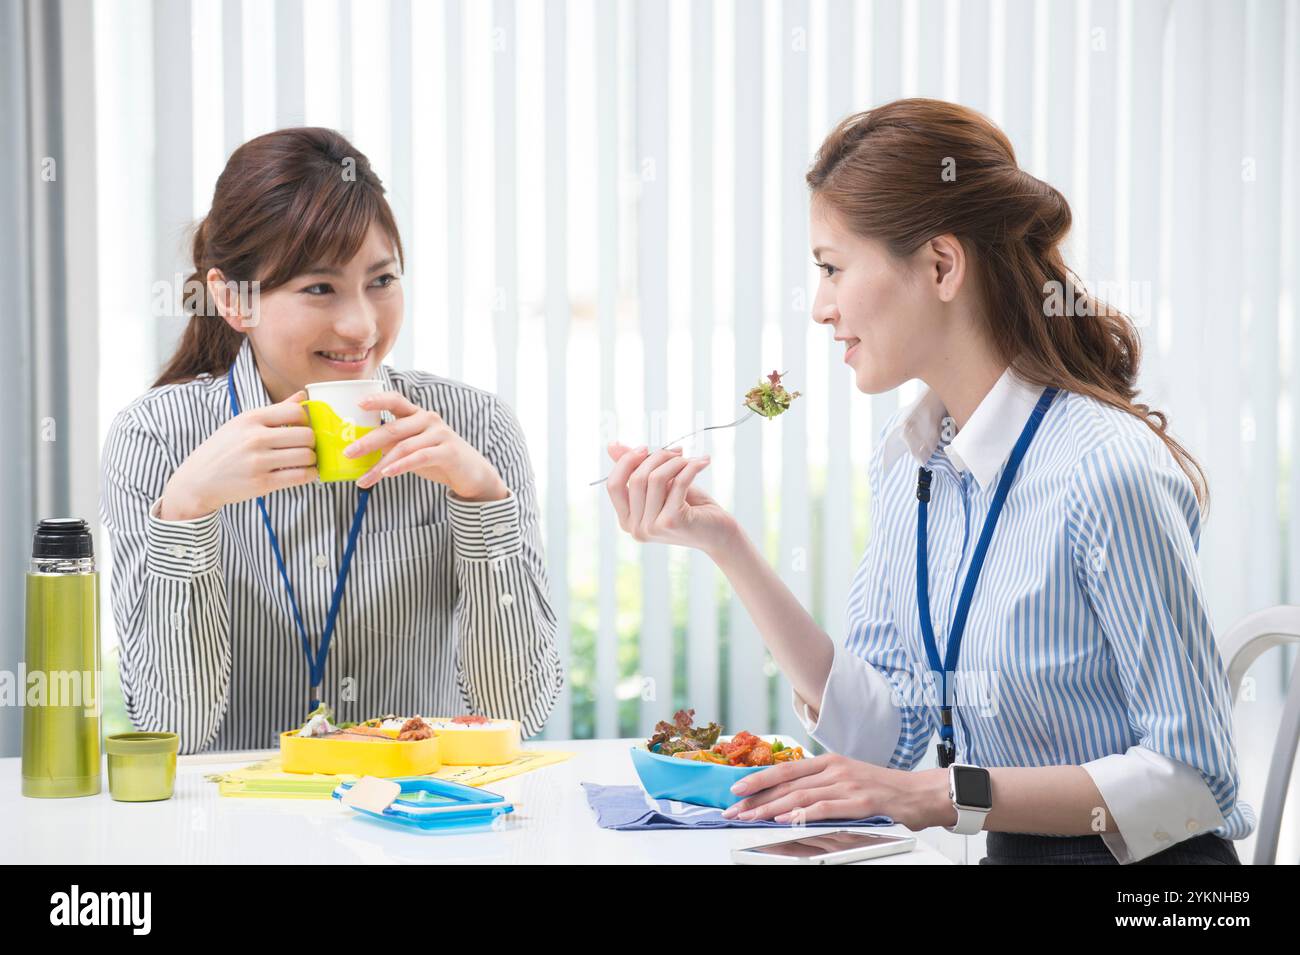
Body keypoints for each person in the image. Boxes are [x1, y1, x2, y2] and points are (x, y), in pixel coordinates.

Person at [603, 99, 1252, 864]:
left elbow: (1195, 780)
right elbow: (884, 732)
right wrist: (726, 546)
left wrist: (936, 796)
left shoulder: (1104, 469)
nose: (820, 307)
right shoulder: (910, 455)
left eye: (832, 267)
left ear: (941, 266)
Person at [100, 127, 563, 753]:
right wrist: (186, 513)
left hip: (421, 825)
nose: (361, 326)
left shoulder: (474, 427)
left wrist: (481, 503)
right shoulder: (155, 437)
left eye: (382, 281)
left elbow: (517, 711)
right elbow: (174, 729)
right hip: (237, 832)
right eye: (319, 288)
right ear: (233, 300)